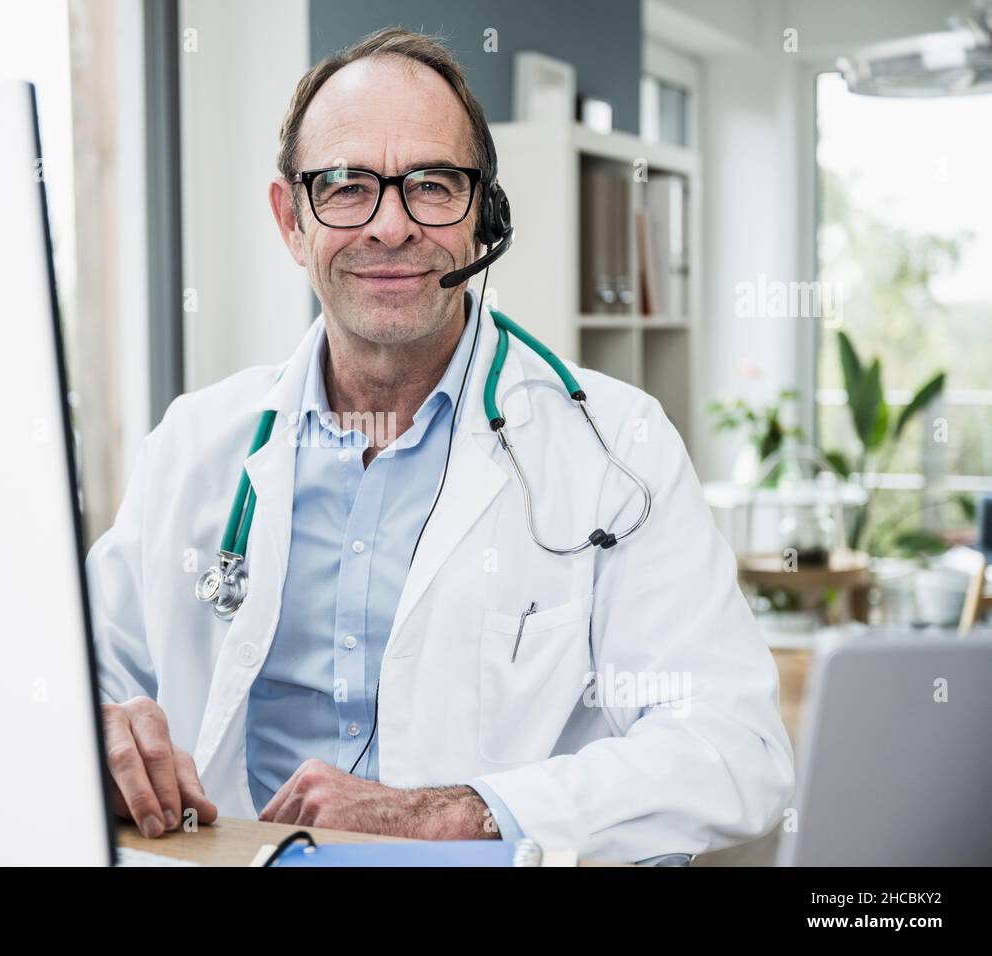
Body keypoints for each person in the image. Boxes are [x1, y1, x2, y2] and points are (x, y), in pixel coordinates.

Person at [86, 27, 794, 861]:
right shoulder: (196, 443)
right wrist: (97, 730)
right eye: (346, 187)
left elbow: (734, 750)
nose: (391, 226)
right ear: (291, 219)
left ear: (482, 215)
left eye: (431, 184)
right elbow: (88, 674)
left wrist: (457, 812)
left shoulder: (617, 448)